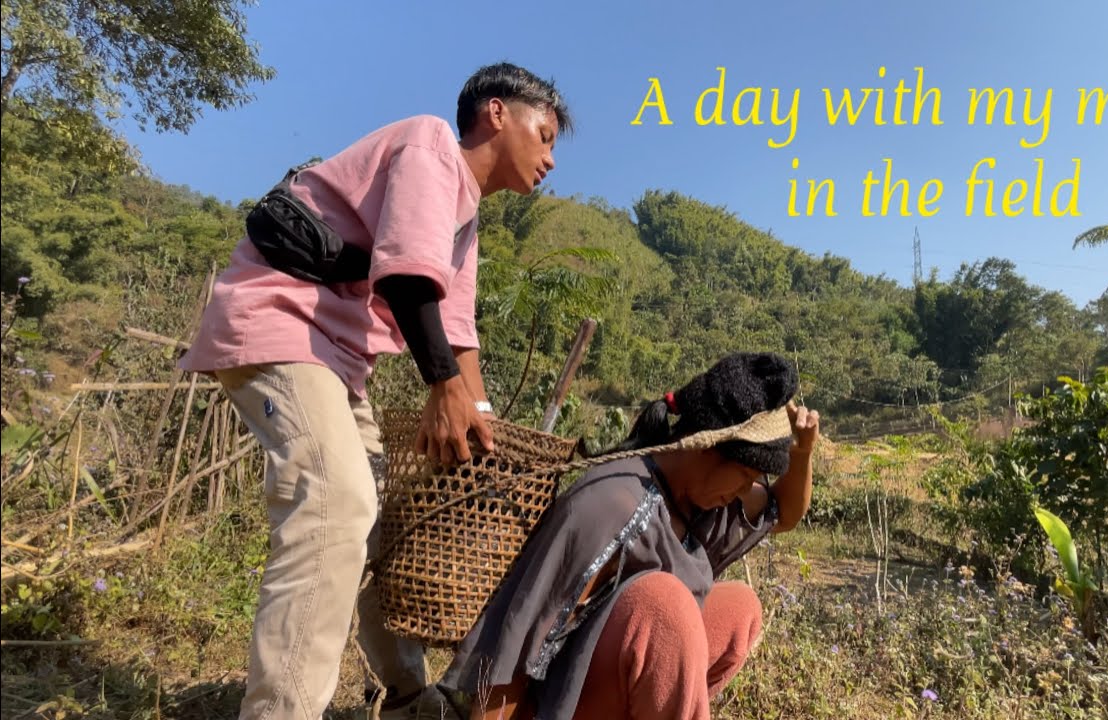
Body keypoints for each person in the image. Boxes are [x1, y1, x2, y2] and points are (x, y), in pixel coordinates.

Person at [176, 62, 572, 719]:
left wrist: (482, 423)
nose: (551, 158)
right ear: (497, 113)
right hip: (281, 325)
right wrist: (442, 386)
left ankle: (409, 695)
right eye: (547, 134)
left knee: (375, 525)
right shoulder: (428, 145)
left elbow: (457, 331)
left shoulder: (466, 220)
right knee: (336, 505)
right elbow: (405, 278)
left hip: (335, 360)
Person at [439, 352, 821, 720]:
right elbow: (520, 645)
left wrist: (802, 454)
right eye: (744, 480)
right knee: (666, 605)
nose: (743, 493)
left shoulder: (700, 499)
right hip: (556, 705)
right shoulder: (611, 504)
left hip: (621, 683)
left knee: (740, 608)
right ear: (705, 447)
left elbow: (783, 513)